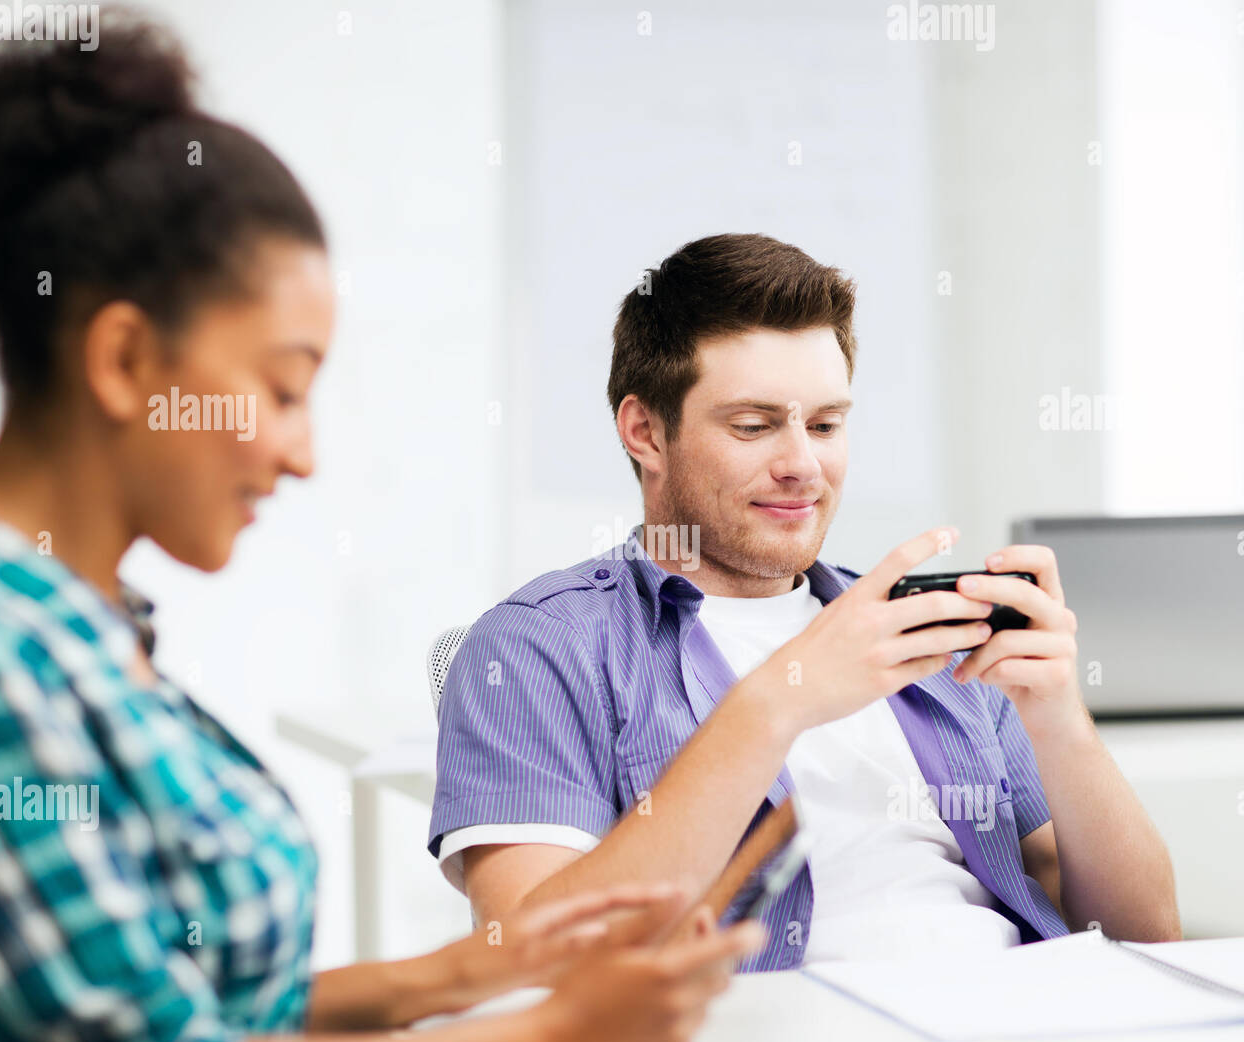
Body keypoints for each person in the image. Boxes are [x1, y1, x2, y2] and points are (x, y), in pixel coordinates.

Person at [0, 15, 762, 1042]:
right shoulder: (14, 659)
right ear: (125, 360)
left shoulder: (95, 632)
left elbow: (174, 997)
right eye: (282, 387)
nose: (302, 453)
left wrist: (444, 978)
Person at [429, 232, 1182, 970]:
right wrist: (781, 702)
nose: (802, 465)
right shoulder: (536, 648)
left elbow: (1145, 935)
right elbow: (525, 960)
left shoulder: (923, 632)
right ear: (645, 433)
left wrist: (1058, 720)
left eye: (825, 425)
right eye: (754, 427)